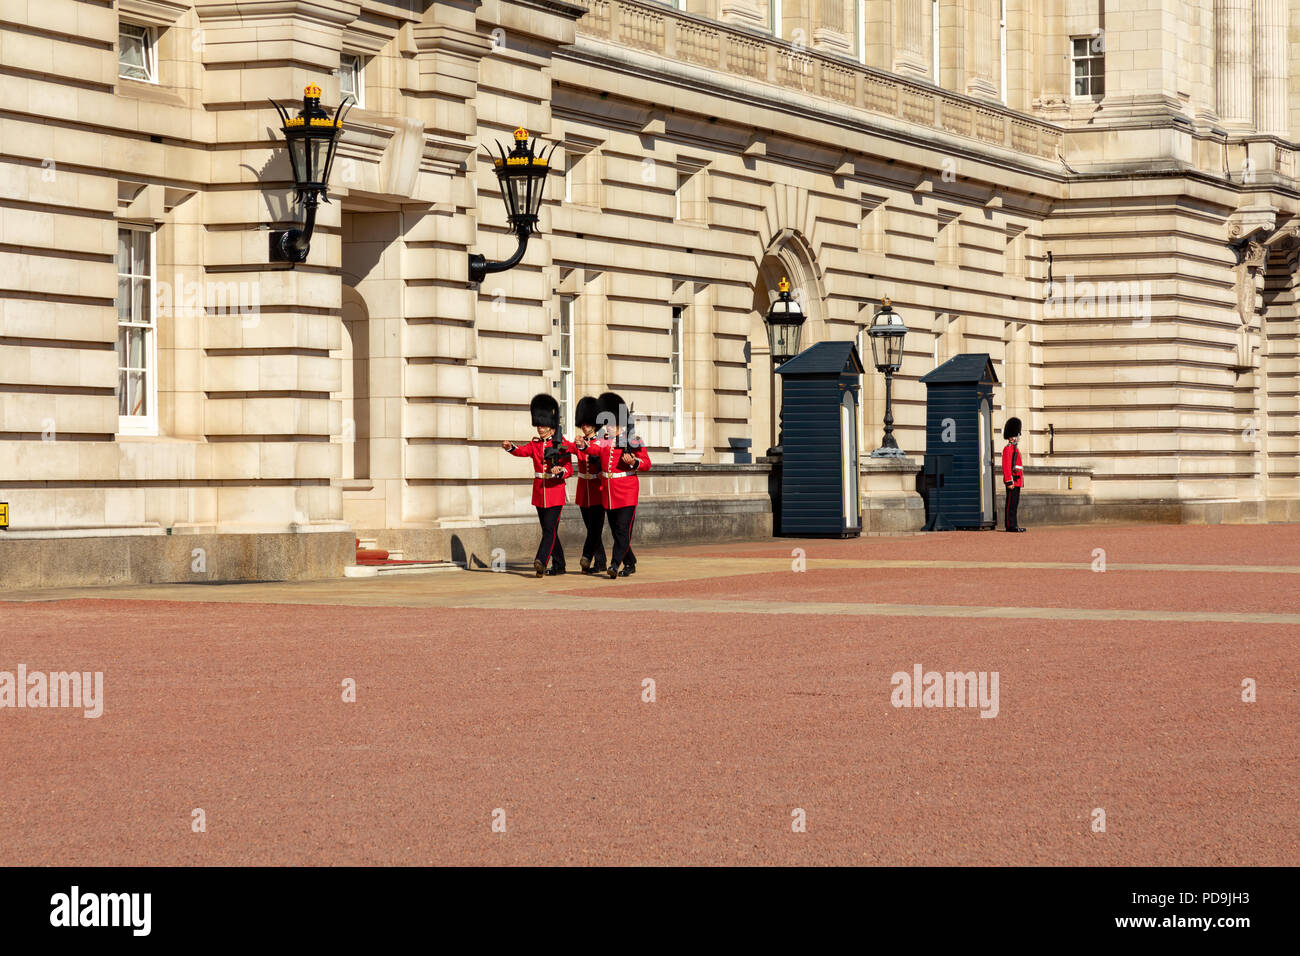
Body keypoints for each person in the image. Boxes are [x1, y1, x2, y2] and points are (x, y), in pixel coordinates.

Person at [576, 391, 650, 578]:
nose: (606, 427)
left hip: (627, 492)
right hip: (608, 493)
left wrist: (633, 462)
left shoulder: (633, 440)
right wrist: (583, 446)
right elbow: (593, 448)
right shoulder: (603, 441)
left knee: (623, 530)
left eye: (610, 424)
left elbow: (647, 463)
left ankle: (615, 564)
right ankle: (630, 562)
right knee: (618, 532)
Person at [502, 394, 573, 575]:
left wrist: (561, 472)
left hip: (555, 491)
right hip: (540, 492)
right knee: (550, 530)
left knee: (549, 529)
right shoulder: (535, 444)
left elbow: (568, 468)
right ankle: (559, 565)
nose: (540, 428)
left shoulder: (561, 444)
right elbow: (522, 451)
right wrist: (511, 447)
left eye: (543, 425)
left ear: (551, 427)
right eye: (538, 425)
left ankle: (541, 560)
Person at [572, 395, 607, 574]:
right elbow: (565, 448)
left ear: (594, 424)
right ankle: (600, 562)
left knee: (594, 528)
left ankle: (587, 557)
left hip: (597, 489)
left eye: (588, 424)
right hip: (583, 490)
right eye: (583, 424)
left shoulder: (602, 442)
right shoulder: (579, 442)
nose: (585, 427)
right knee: (592, 529)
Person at [1002, 416, 1026, 532]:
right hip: (1012, 481)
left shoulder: (1015, 449)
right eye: (1017, 435)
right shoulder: (1008, 449)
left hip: (1017, 480)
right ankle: (1010, 525)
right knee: (1010, 504)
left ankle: (1014, 524)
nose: (1018, 437)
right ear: (1012, 436)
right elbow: (1006, 467)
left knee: (1014, 504)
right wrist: (1009, 481)